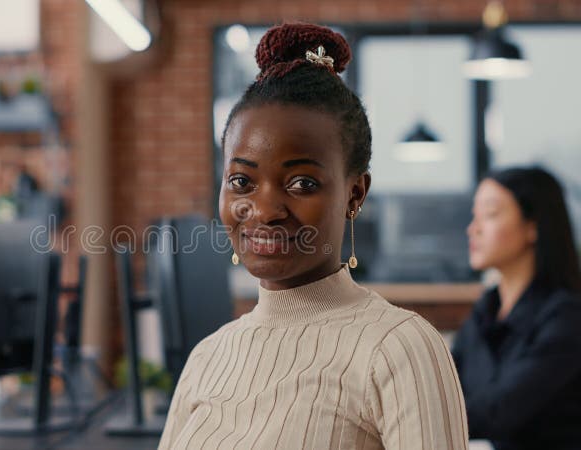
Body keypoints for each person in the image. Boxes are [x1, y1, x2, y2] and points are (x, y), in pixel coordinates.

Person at [158, 23, 468, 450]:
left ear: (354, 195)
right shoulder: (208, 358)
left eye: (302, 183)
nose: (264, 211)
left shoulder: (399, 348)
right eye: (242, 181)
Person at [452, 167, 581, 450]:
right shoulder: (484, 313)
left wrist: (414, 419)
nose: (473, 228)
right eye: (475, 216)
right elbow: (446, 388)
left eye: (491, 214)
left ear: (533, 226)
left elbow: (499, 412)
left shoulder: (566, 318)